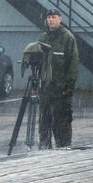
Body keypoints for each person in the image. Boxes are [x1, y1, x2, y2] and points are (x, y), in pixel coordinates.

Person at [37, 8, 79, 149]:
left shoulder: (67, 38)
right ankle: (44, 147)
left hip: (61, 88)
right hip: (46, 88)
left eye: (53, 17)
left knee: (62, 120)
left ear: (60, 19)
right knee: (44, 120)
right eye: (49, 18)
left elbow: (73, 64)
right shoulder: (44, 38)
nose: (50, 20)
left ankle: (64, 147)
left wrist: (68, 87)